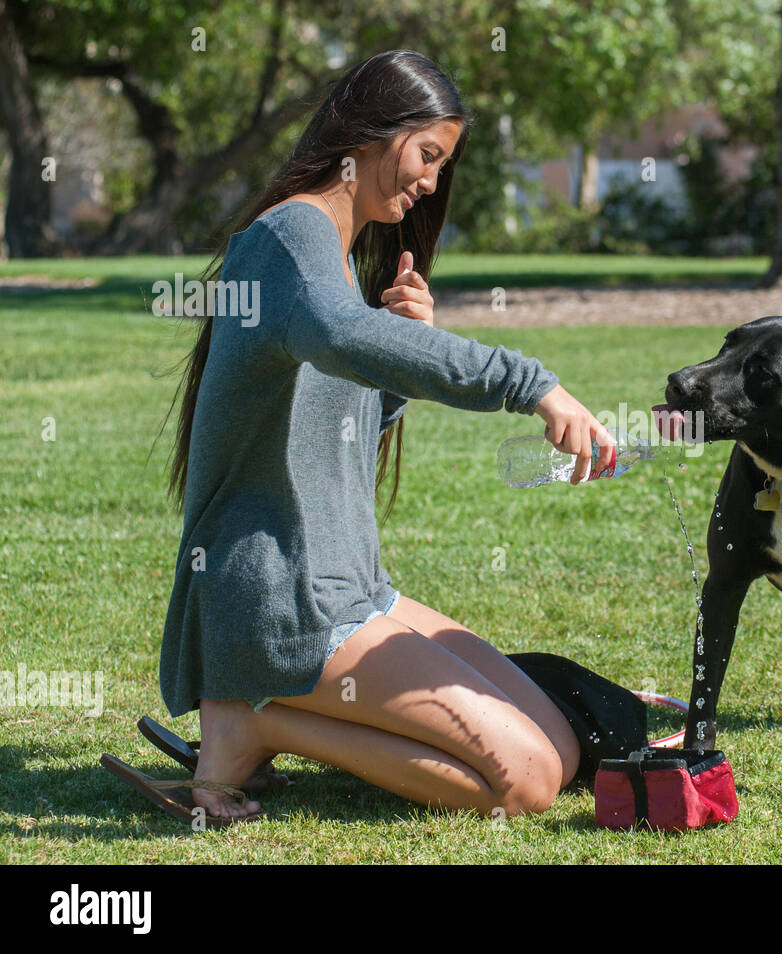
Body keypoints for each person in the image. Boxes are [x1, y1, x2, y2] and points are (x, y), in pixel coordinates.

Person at [154, 50, 616, 823]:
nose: (432, 181)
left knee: (557, 743)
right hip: (281, 599)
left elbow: (339, 431)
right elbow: (339, 335)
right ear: (368, 134)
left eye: (444, 163)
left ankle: (266, 719)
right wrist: (530, 385)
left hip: (351, 587)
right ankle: (254, 718)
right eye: (427, 155)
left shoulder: (325, 257)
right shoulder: (289, 240)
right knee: (527, 782)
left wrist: (398, 361)